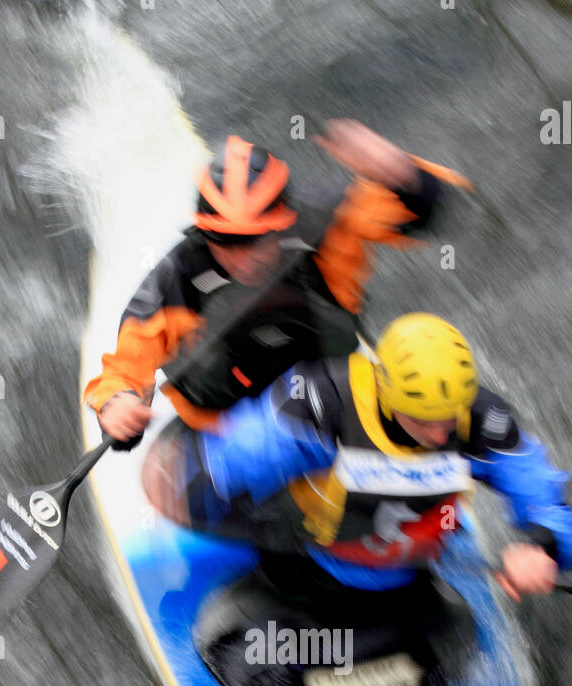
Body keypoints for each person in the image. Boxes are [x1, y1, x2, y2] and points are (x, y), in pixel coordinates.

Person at [139, 313, 572, 686]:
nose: (440, 433)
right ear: (387, 392)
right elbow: (237, 458)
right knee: (249, 659)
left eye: (448, 417)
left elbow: (548, 501)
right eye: (423, 419)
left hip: (407, 581)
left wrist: (542, 547)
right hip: (309, 568)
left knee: (443, 652)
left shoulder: (481, 421)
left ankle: (373, 672)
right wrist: (187, 480)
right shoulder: (323, 405)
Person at [84, 121, 466, 445]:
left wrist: (405, 176)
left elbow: (426, 208)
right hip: (226, 429)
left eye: (258, 238)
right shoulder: (176, 281)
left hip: (333, 398)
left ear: (285, 222)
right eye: (226, 242)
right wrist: (118, 405)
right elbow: (123, 372)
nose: (245, 258)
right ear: (204, 233)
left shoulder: (329, 223)